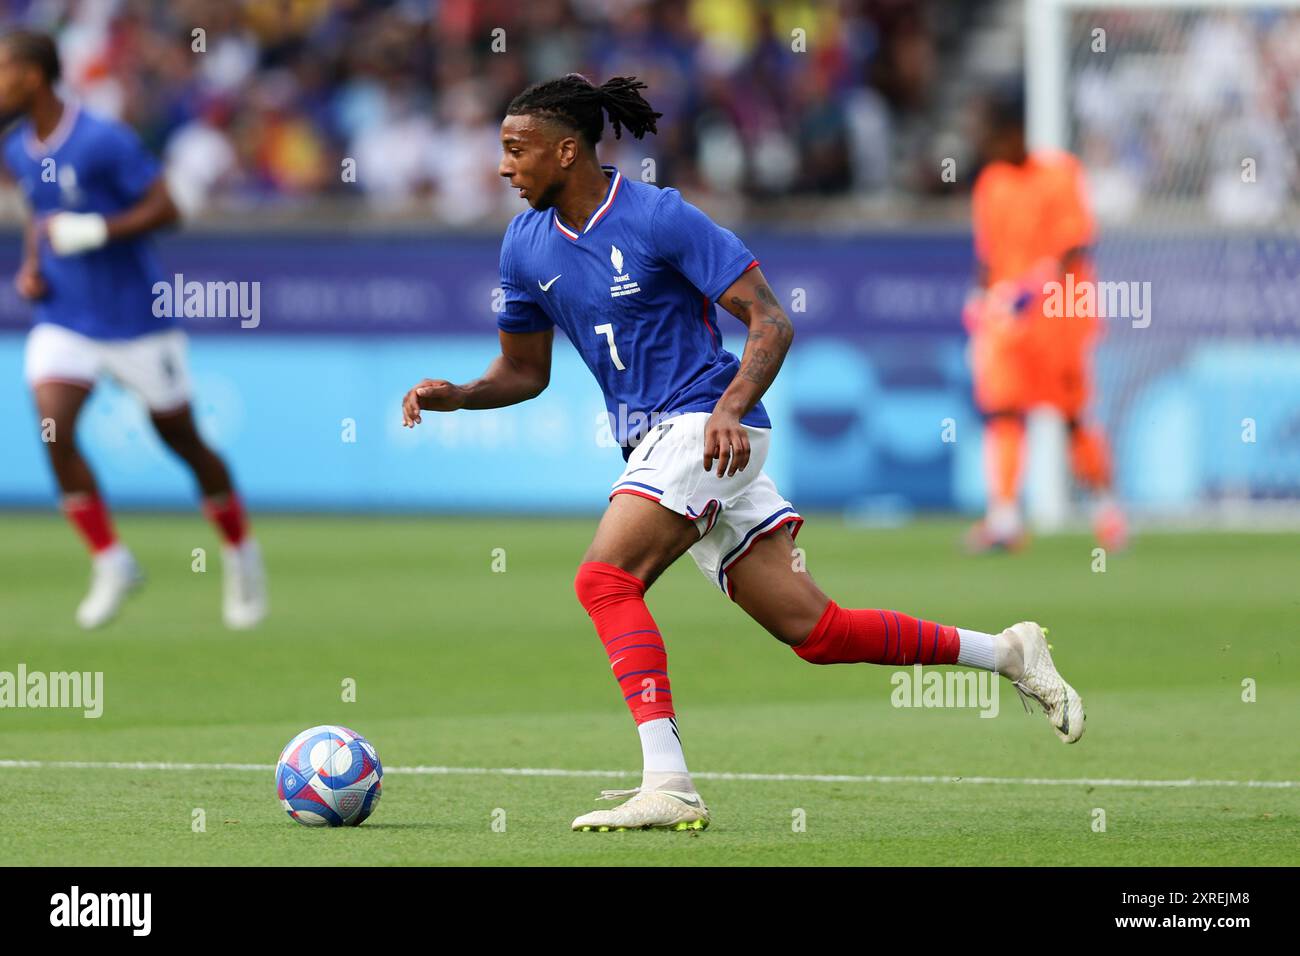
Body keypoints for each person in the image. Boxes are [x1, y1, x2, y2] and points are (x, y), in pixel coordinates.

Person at [402, 74, 1085, 832]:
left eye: (515, 150)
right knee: (816, 632)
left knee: (604, 580)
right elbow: (525, 371)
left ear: (567, 151)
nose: (503, 166)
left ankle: (669, 781)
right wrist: (460, 394)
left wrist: (726, 407)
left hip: (709, 424)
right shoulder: (523, 244)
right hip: (664, 444)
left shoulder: (659, 217)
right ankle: (1009, 653)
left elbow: (769, 319)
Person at [0, 30, 266, 629]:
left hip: (136, 321)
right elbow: (38, 216)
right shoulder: (19, 147)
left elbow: (169, 207)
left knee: (184, 442)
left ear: (31, 76)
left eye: (1, 69)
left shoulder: (101, 139)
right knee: (54, 428)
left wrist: (97, 230)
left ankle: (239, 548)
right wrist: (33, 267)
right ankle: (111, 559)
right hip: (65, 317)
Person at [965, 84, 1126, 553]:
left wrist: (1035, 284)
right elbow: (988, 254)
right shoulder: (991, 182)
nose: (987, 146)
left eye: (992, 136)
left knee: (1072, 417)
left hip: (1059, 315)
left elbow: (1076, 243)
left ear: (1014, 132)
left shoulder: (1060, 173)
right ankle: (1006, 519)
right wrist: (980, 297)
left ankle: (1107, 512)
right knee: (1003, 412)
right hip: (1010, 323)